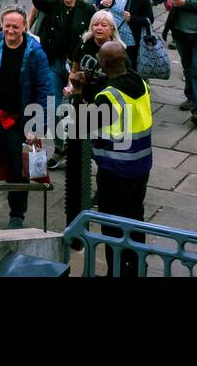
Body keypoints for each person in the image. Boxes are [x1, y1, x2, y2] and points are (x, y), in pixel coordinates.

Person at [0, 6, 56, 231]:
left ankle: (17, 216)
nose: (10, 30)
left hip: (20, 123)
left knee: (18, 172)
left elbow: (43, 90)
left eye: (15, 26)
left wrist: (37, 126)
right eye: (7, 25)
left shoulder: (35, 52)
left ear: (24, 27)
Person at [72, 40, 152, 277]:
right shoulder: (140, 83)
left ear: (103, 63)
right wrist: (91, 88)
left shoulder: (110, 96)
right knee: (135, 218)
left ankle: (116, 272)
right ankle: (138, 267)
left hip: (116, 171)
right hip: (141, 165)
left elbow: (82, 127)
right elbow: (113, 87)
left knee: (112, 226)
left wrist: (78, 94)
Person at [31, 0, 94, 169]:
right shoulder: (55, 5)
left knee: (78, 110)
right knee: (54, 107)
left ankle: (80, 150)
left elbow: (93, 37)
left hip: (79, 67)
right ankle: (59, 148)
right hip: (56, 63)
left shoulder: (87, 9)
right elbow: (39, 1)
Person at [93, 0, 154, 69]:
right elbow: (101, 10)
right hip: (111, 39)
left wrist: (132, 18)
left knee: (128, 70)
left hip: (130, 43)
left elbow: (149, 20)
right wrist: (103, 3)